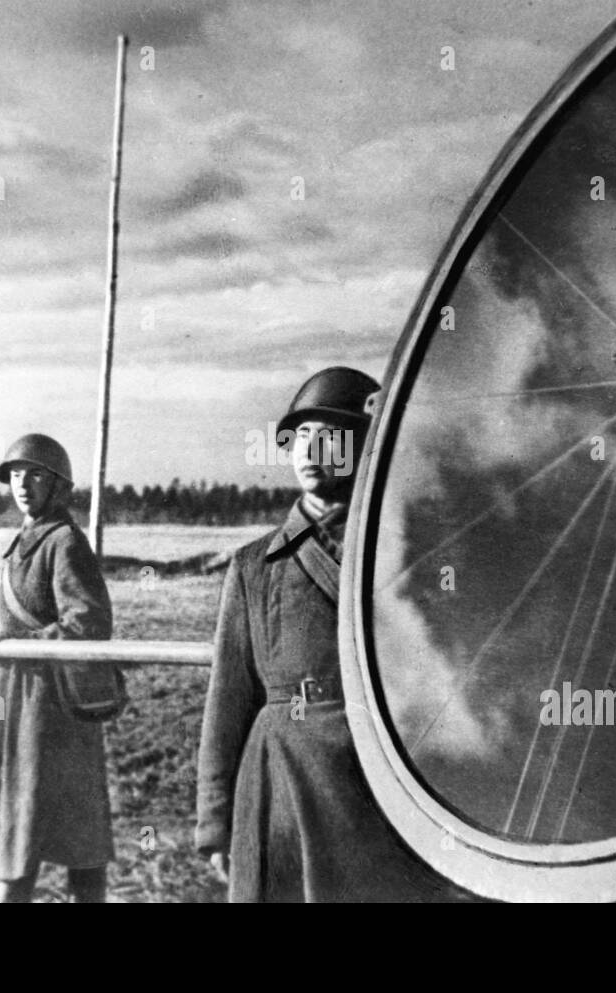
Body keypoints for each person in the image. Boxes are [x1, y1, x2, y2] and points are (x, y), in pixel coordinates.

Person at [195, 367, 449, 902]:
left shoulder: (403, 552)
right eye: (301, 436)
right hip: (281, 781)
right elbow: (229, 702)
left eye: (331, 435)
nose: (312, 448)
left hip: (379, 779)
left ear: (363, 448)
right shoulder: (253, 567)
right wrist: (215, 821)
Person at [0, 433, 115, 903]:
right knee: (19, 816)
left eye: (34, 474)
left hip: (55, 705)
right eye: (14, 475)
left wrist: (26, 642)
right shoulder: (22, 542)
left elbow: (89, 622)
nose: (22, 484)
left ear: (58, 486)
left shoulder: (64, 541)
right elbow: (22, 611)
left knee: (68, 830)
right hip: (16, 698)